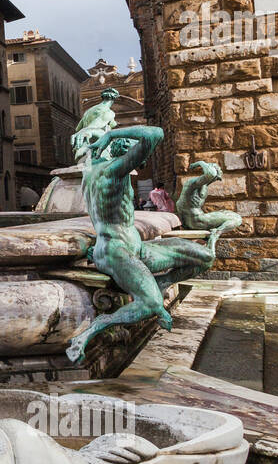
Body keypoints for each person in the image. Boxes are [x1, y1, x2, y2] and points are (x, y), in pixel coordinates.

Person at [66, 126, 213, 362]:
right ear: (113, 148)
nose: (133, 151)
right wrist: (110, 134)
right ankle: (94, 328)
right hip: (116, 251)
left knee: (205, 257)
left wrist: (96, 137)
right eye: (126, 145)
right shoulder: (113, 171)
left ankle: (159, 283)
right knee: (151, 303)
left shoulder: (93, 170)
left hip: (136, 247)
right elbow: (155, 134)